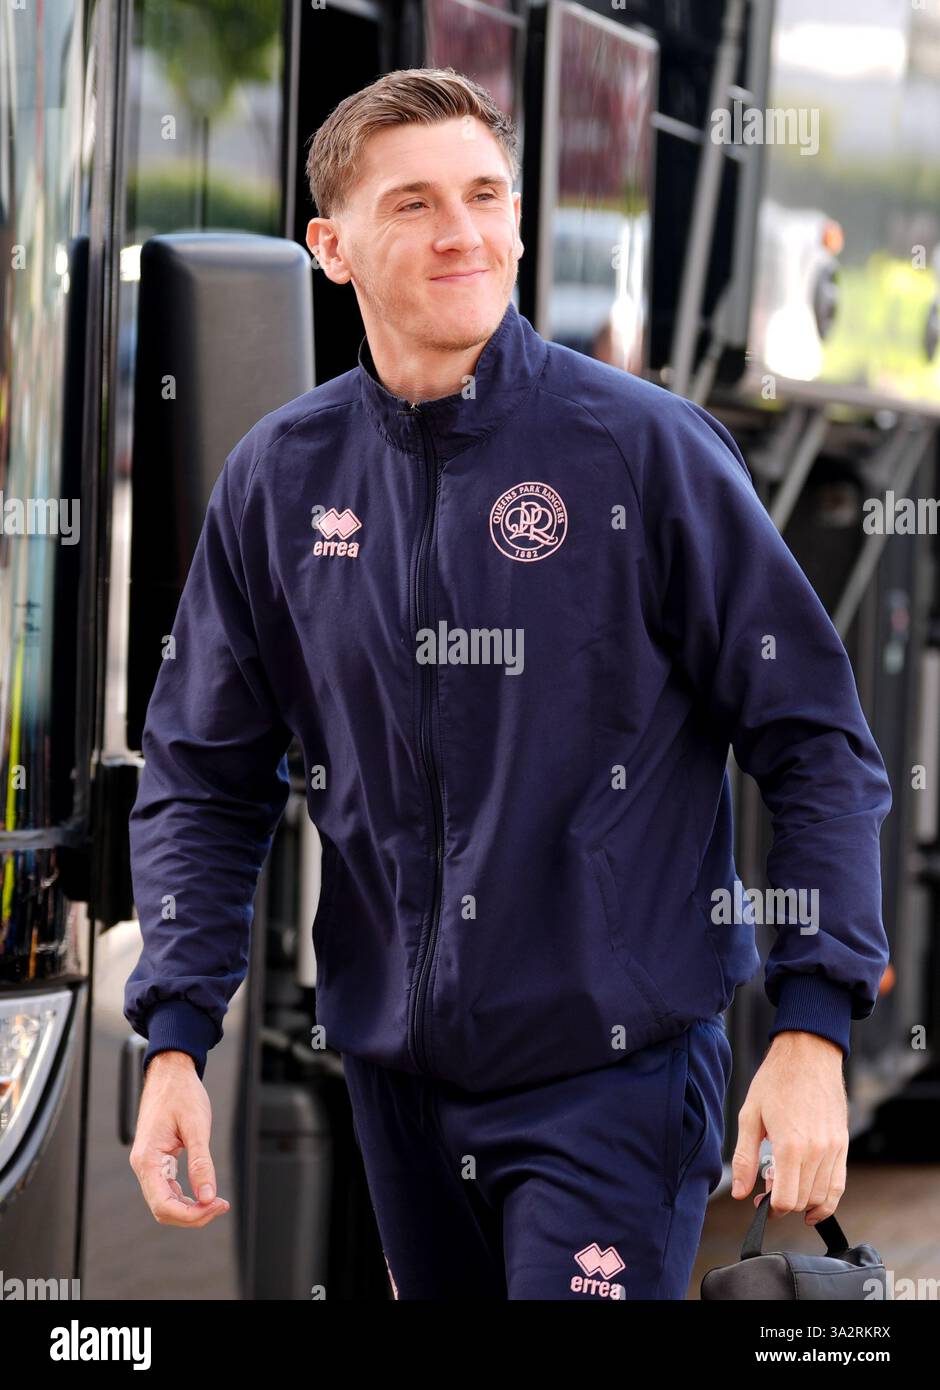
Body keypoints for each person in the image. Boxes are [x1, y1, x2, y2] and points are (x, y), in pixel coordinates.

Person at [125, 67, 892, 1300]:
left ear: (522, 219)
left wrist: (811, 1026)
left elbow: (816, 742)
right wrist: (173, 1039)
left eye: (486, 196)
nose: (462, 233)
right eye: (415, 203)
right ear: (330, 245)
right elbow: (203, 780)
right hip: (396, 1087)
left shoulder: (642, 451)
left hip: (613, 1081)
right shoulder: (278, 479)